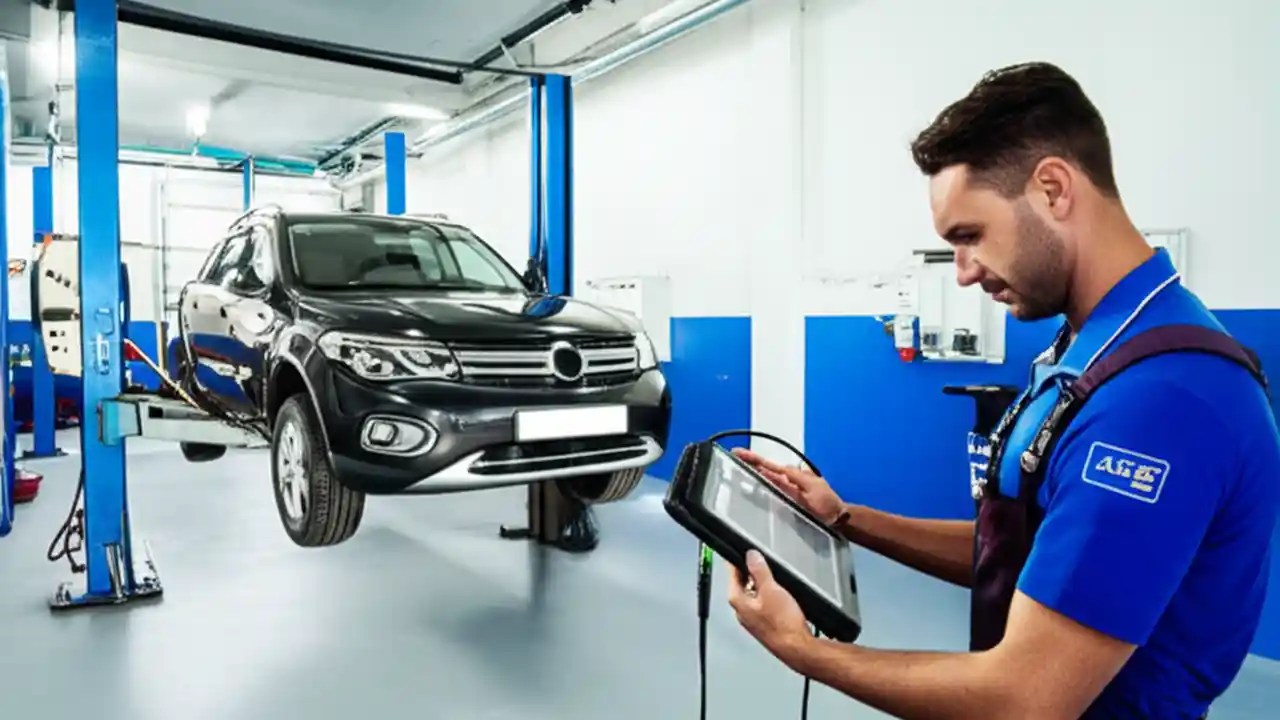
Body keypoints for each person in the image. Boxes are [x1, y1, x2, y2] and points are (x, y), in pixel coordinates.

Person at [727, 61, 1280, 719]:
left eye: (969, 236)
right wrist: (845, 519)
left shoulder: (1162, 400)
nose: (960, 274)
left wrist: (801, 649)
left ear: (1052, 188)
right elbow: (1037, 556)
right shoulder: (1087, 349)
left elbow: (1023, 698)